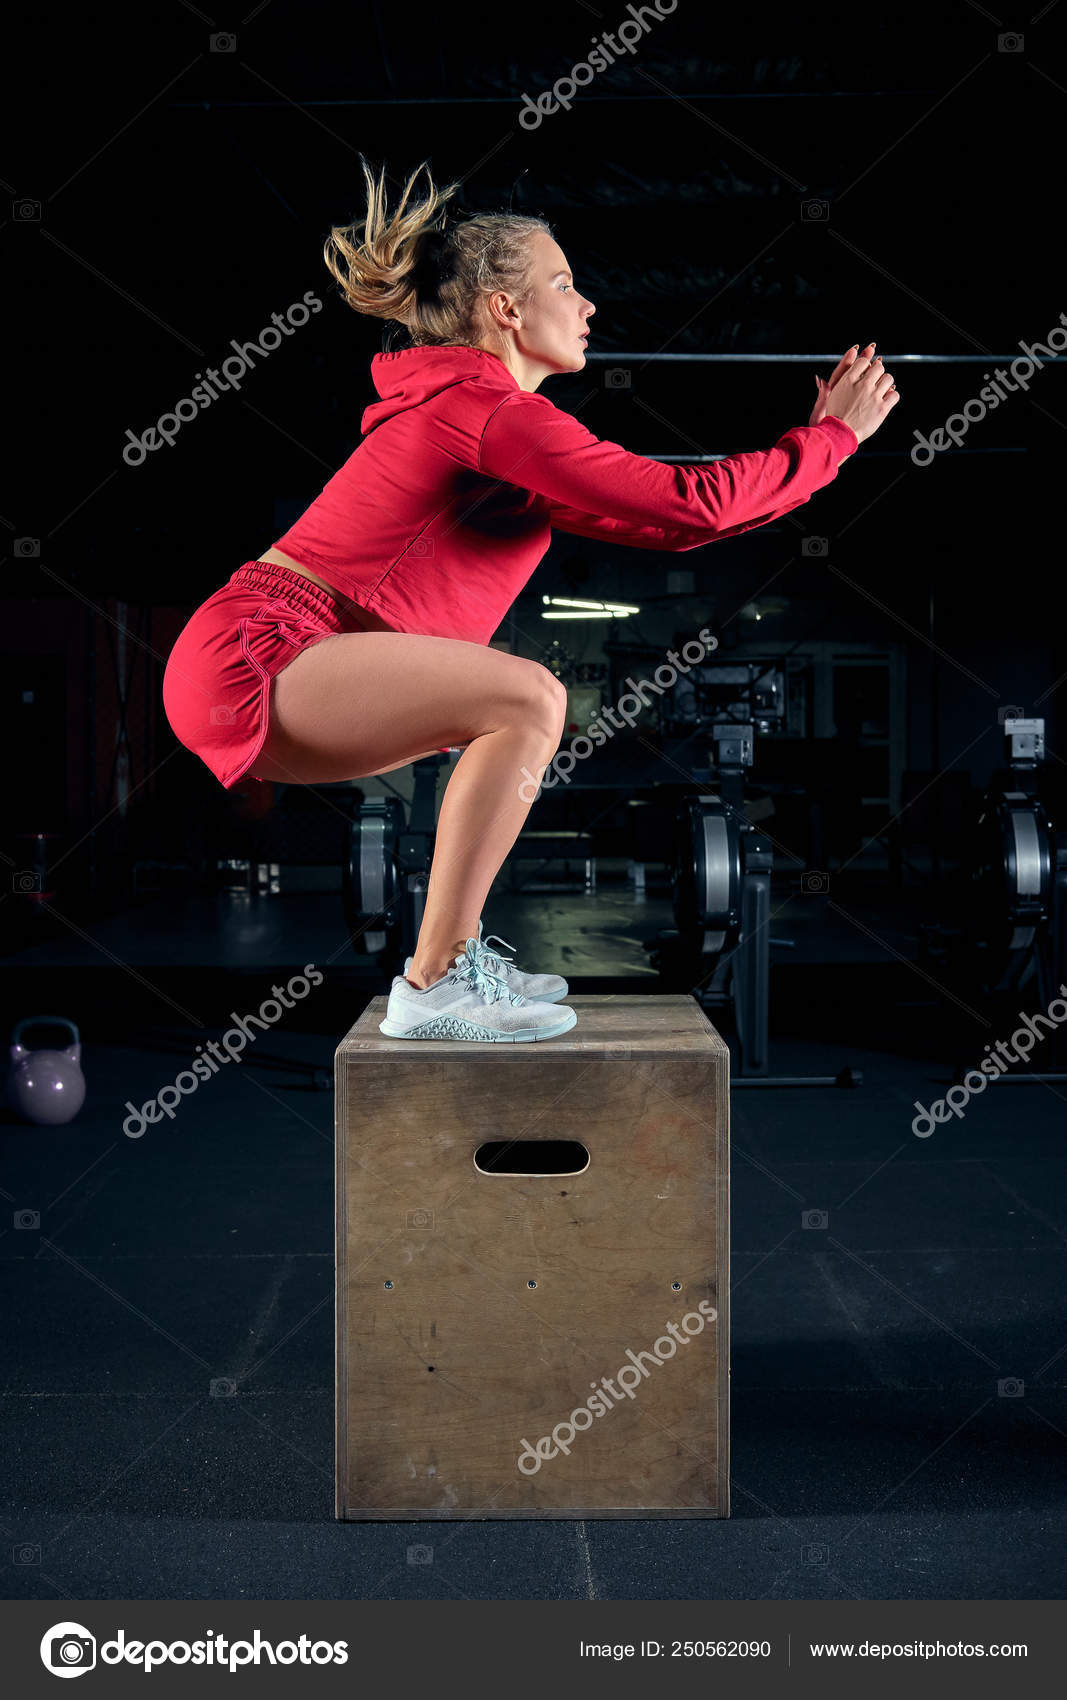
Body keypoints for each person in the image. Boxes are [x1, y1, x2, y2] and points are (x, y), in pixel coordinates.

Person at [162, 158, 899, 1043]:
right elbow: (689, 501)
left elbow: (683, 525)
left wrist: (816, 457)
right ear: (505, 310)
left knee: (513, 701)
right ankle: (434, 979)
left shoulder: (490, 431)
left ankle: (451, 965)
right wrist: (832, 441)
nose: (587, 304)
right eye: (564, 283)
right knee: (529, 694)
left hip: (281, 663)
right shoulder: (487, 411)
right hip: (262, 653)